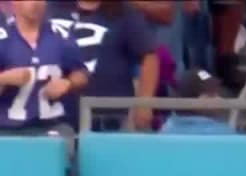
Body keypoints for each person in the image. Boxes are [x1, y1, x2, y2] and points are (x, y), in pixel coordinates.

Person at [49, 0, 158, 132]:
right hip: (55, 117)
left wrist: (144, 103)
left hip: (109, 118)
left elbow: (149, 57)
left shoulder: (123, 12)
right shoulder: (52, 8)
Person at [0, 0, 89, 136]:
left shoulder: (61, 36)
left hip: (52, 125)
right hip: (5, 127)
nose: (35, 3)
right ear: (15, 2)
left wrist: (69, 83)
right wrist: (4, 78)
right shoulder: (2, 37)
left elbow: (81, 74)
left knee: (67, 141)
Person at [159, 67, 234, 134]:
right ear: (191, 100)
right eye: (211, 95)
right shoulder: (222, 132)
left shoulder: (166, 129)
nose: (219, 99)